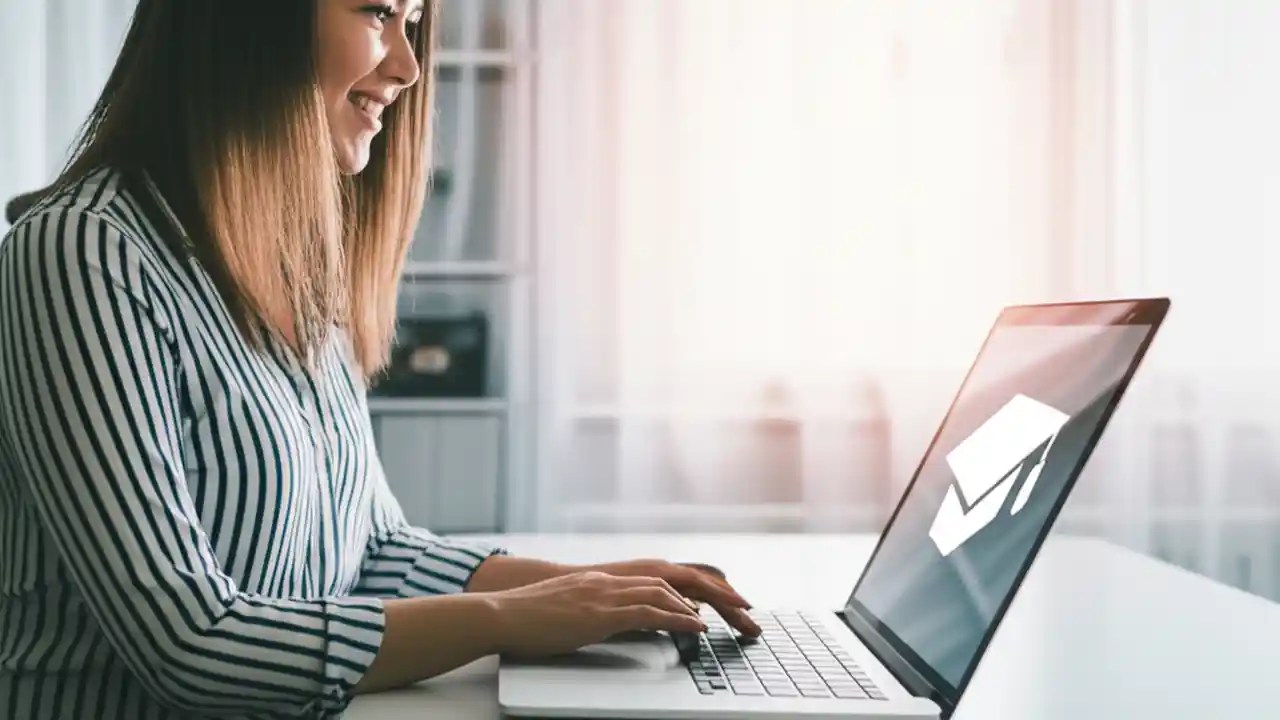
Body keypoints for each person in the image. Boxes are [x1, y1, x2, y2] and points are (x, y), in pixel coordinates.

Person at [0, 1, 760, 717]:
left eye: (414, 18)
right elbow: (190, 645)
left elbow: (370, 549)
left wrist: (590, 590)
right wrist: (510, 617)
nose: (407, 66)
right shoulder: (80, 257)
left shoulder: (291, 257)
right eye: (376, 11)